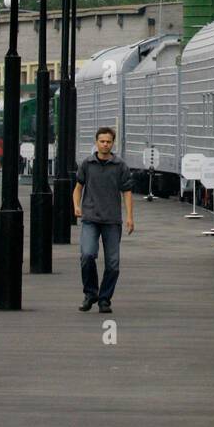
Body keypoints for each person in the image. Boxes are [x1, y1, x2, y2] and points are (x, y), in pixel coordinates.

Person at [73, 127, 134, 313]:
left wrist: (130, 217)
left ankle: (104, 299)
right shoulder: (87, 164)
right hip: (90, 217)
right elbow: (78, 188)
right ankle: (90, 293)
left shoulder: (120, 165)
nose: (105, 144)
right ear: (96, 142)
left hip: (112, 219)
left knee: (113, 263)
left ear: (113, 143)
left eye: (108, 141)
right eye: (102, 141)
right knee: (87, 255)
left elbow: (127, 192)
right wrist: (76, 206)